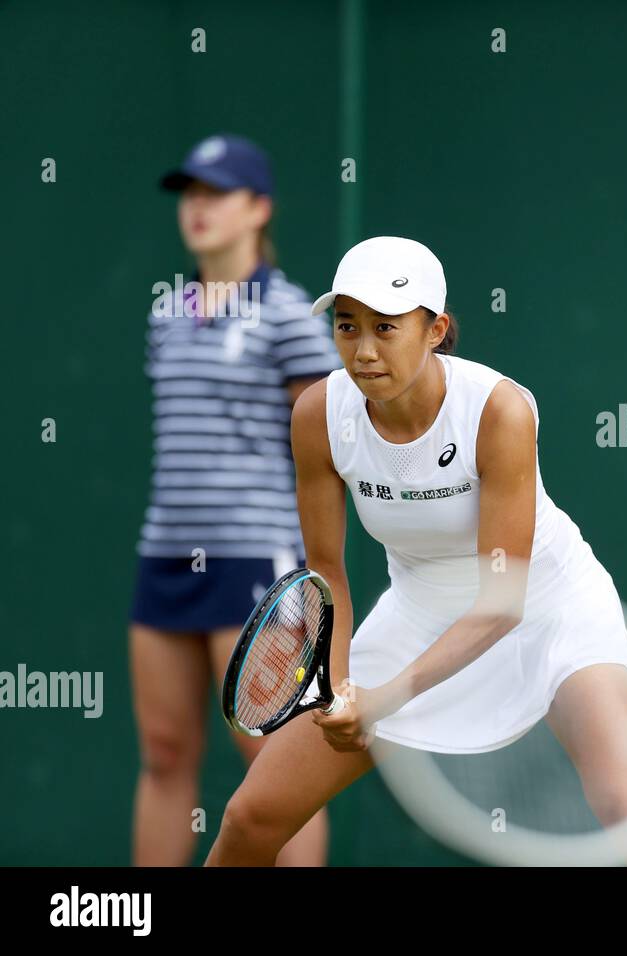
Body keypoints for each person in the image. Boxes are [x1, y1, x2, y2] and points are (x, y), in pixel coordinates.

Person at [205, 236, 627, 866]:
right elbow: (325, 575)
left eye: (386, 328)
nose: (362, 350)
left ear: (435, 329)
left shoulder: (500, 412)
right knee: (251, 817)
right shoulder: (318, 415)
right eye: (346, 326)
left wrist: (384, 699)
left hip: (549, 609)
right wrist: (341, 690)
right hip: (417, 613)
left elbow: (502, 604)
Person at [130, 134, 341, 865]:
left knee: (271, 759)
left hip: (254, 557)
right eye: (190, 195)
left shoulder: (288, 315)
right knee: (163, 751)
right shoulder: (165, 314)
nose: (198, 209)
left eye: (216, 194)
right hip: (163, 556)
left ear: (258, 209)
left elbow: (322, 442)